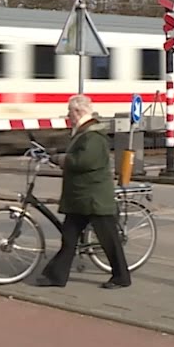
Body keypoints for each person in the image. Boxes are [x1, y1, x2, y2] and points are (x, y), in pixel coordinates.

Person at [34, 94, 131, 289]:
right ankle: (56, 276)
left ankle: (122, 277)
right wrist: (57, 155)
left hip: (94, 198)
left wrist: (60, 159)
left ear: (78, 111)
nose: (68, 116)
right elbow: (78, 154)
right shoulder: (84, 132)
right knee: (69, 238)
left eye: (69, 112)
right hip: (81, 197)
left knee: (109, 240)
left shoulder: (93, 135)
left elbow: (84, 161)